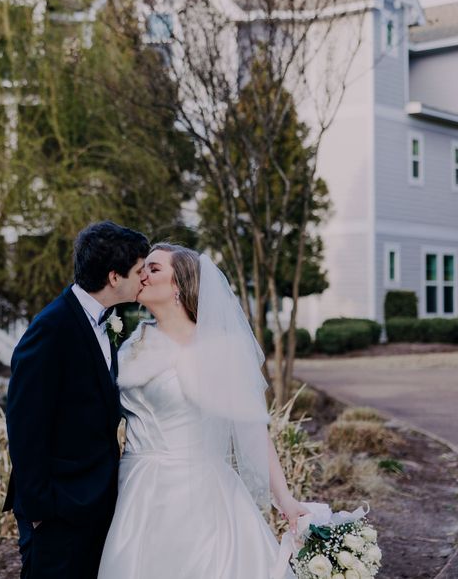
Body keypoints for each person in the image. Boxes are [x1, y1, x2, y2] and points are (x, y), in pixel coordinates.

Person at [97, 242, 309, 578]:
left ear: (178, 285)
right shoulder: (132, 345)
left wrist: (284, 498)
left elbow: (252, 428)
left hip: (195, 493)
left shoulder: (217, 349)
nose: (143, 275)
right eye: (142, 269)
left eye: (154, 269)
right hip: (134, 490)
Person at [4, 221, 149, 579]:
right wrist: (41, 510)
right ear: (114, 278)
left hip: (94, 499)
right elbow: (25, 424)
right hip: (59, 508)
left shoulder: (105, 320)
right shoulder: (51, 329)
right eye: (139, 270)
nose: (145, 277)